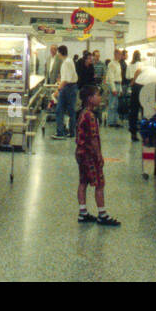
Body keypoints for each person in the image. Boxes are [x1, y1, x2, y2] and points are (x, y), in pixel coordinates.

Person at [75, 83, 120, 226]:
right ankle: (102, 214)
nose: (100, 98)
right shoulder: (91, 116)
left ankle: (83, 212)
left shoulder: (82, 113)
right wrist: (99, 156)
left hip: (80, 153)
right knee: (99, 184)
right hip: (90, 154)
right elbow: (94, 138)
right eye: (98, 95)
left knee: (83, 182)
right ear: (90, 98)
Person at [53, 46, 78, 139]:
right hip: (71, 87)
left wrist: (58, 90)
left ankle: (60, 132)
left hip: (68, 88)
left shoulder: (66, 63)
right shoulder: (69, 60)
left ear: (59, 53)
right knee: (71, 111)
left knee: (59, 110)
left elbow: (66, 80)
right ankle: (71, 132)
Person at [103, 51, 123, 128]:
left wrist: (120, 89)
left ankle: (115, 120)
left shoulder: (118, 64)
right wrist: (113, 88)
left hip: (118, 84)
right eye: (119, 54)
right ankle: (110, 121)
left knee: (116, 105)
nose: (121, 56)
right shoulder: (111, 64)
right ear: (115, 55)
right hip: (113, 84)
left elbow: (119, 77)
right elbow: (111, 77)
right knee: (112, 104)